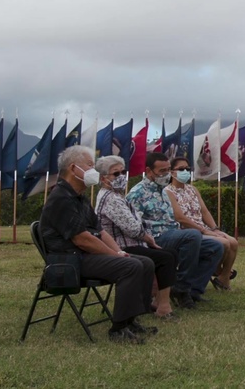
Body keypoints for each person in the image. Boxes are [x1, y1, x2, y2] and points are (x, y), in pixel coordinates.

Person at [39, 146, 157, 344]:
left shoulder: (79, 197)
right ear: (74, 168)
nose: (93, 170)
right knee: (131, 266)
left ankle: (130, 320)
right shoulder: (60, 198)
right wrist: (115, 255)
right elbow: (82, 239)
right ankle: (118, 329)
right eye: (90, 165)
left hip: (84, 256)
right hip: (70, 261)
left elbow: (100, 231)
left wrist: (118, 251)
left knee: (145, 263)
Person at [127, 152, 223, 308]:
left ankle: (192, 290)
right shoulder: (137, 193)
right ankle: (181, 288)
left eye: (168, 170)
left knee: (215, 247)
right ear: (149, 171)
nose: (166, 174)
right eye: (162, 171)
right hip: (154, 238)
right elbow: (132, 224)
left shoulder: (164, 191)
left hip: (173, 233)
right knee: (192, 236)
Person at [94, 155, 180, 321]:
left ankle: (157, 300)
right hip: (120, 246)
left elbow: (136, 223)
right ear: (104, 178)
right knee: (165, 258)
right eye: (115, 174)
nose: (121, 177)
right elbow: (133, 228)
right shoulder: (110, 198)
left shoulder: (117, 195)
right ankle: (163, 306)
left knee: (170, 254)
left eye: (123, 172)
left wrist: (144, 233)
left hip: (132, 242)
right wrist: (147, 237)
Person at [163, 157, 240, 291]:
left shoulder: (192, 190)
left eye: (188, 169)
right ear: (171, 172)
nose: (185, 171)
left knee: (233, 242)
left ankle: (224, 279)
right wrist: (204, 231)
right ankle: (216, 270)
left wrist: (214, 229)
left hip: (203, 228)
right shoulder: (167, 191)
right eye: (181, 169)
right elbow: (180, 218)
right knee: (224, 243)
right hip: (186, 231)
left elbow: (204, 212)